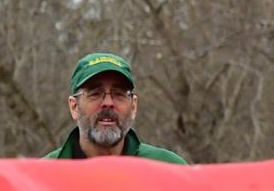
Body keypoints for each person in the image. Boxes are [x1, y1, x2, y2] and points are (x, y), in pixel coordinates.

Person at [45, 52, 189, 162]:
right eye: (95, 94)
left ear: (133, 107)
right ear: (74, 107)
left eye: (119, 94)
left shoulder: (167, 168)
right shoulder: (41, 177)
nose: (108, 102)